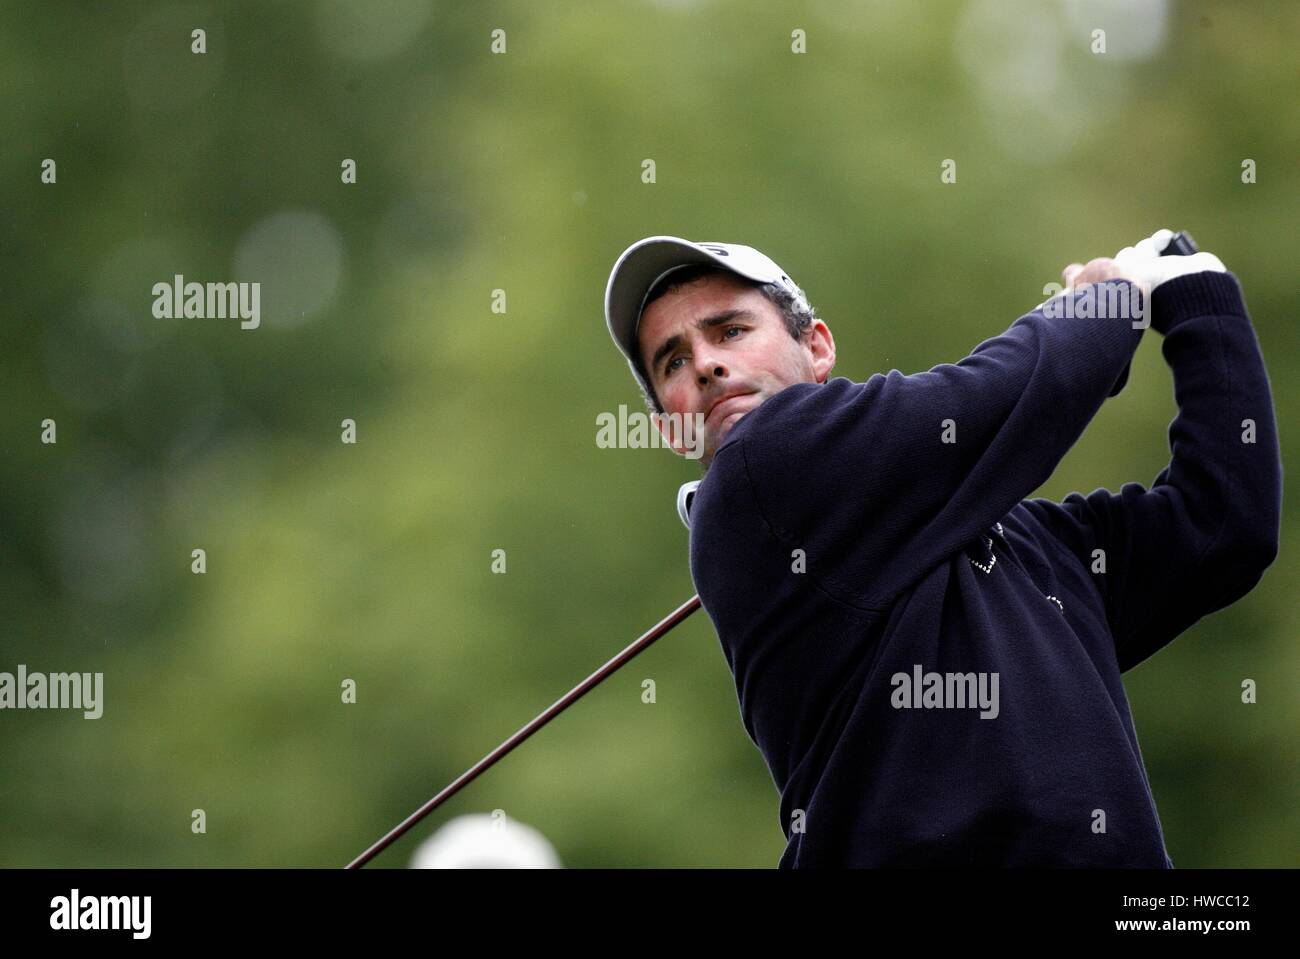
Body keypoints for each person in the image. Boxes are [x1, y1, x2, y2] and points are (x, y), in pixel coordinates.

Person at [602, 231, 1281, 867]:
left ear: (817, 346)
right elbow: (997, 396)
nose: (708, 363)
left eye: (730, 330)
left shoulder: (1027, 547)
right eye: (675, 361)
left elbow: (1222, 524)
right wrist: (1112, 304)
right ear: (674, 430)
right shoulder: (760, 468)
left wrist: (1203, 305)